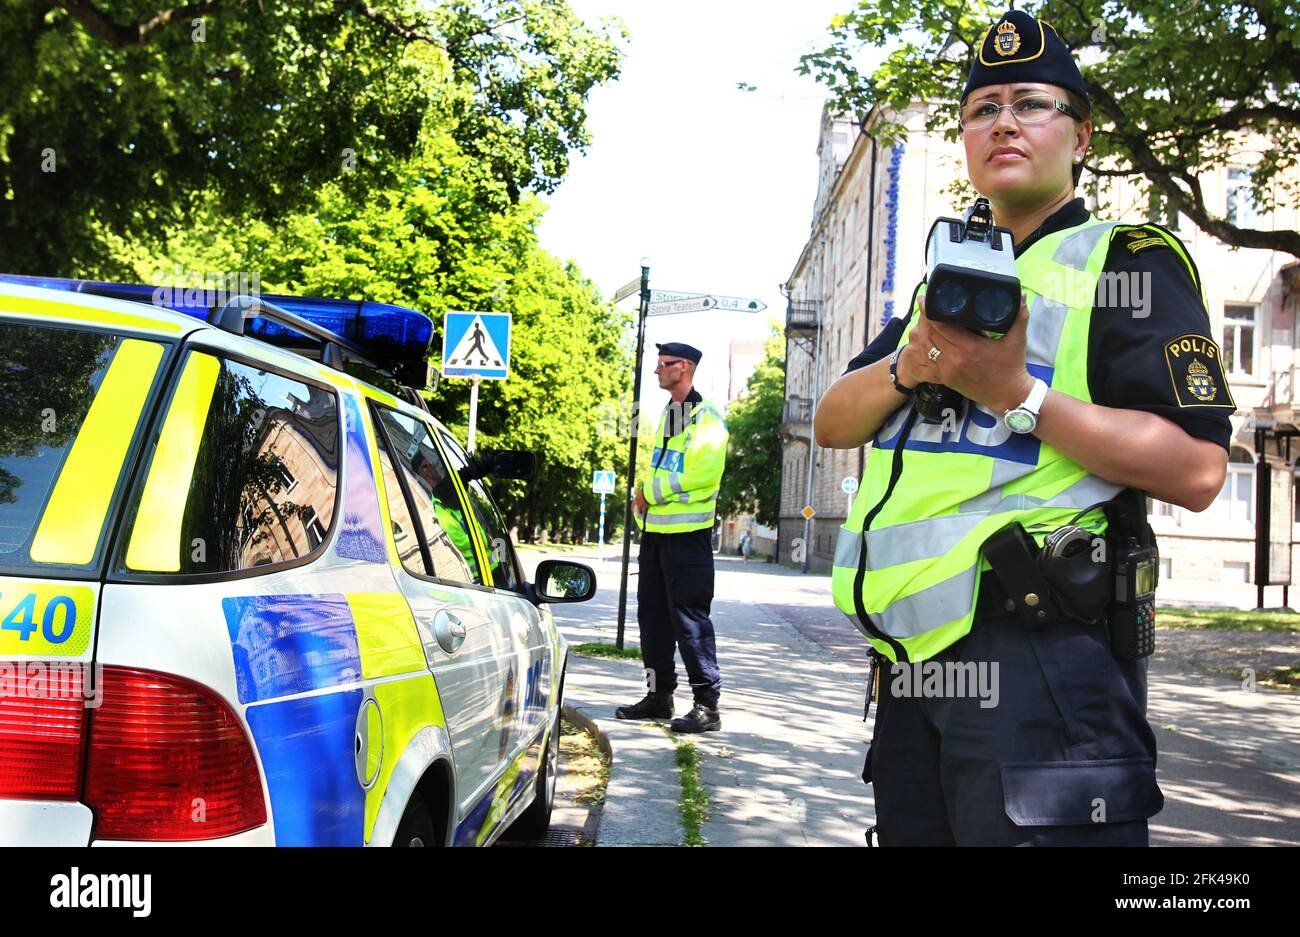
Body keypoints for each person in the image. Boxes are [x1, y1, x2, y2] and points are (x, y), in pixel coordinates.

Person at [814, 9, 1232, 846]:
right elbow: (831, 420)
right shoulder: (951, 281)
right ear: (967, 142)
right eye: (982, 108)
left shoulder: (1126, 264)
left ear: (1079, 136)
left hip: (1039, 659)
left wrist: (1017, 393)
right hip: (914, 668)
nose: (1003, 120)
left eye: (1031, 103)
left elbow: (1196, 472)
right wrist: (911, 365)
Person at [616, 342, 730, 733]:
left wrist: (651, 493)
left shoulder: (707, 419)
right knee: (651, 620)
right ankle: (658, 695)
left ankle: (707, 706)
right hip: (657, 537)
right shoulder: (670, 414)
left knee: (690, 622)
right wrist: (642, 496)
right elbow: (660, 467)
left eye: (663, 365)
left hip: (688, 540)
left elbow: (702, 477)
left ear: (684, 368)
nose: (657, 372)